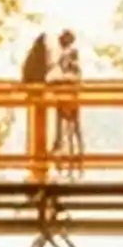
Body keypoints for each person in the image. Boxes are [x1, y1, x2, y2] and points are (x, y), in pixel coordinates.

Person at [50, 28, 83, 178]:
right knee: (69, 130)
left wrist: (61, 81)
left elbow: (73, 74)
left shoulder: (70, 54)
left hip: (69, 94)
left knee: (71, 130)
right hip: (66, 94)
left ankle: (73, 162)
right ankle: (69, 162)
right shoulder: (64, 55)